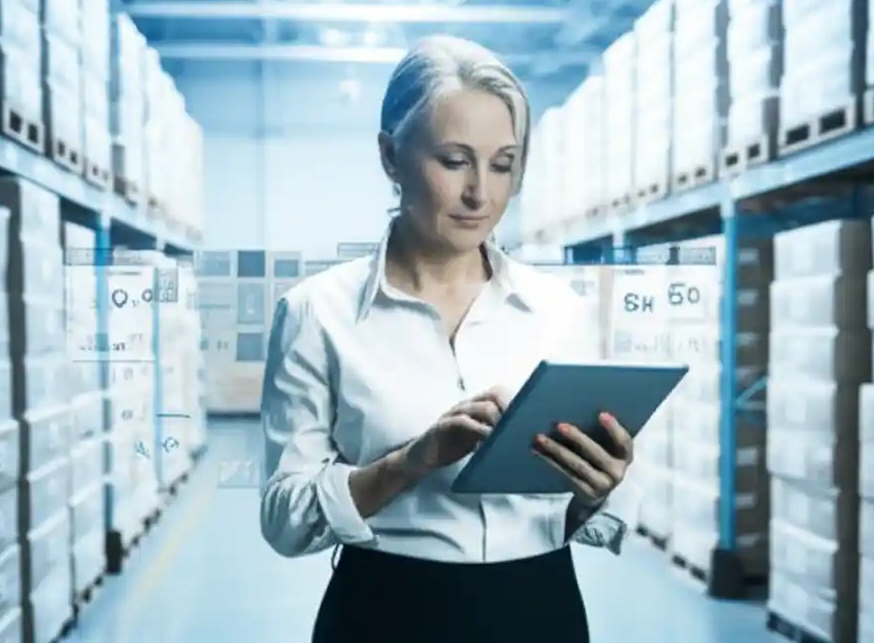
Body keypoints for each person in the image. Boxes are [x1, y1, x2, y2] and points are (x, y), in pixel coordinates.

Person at [258, 35, 641, 643]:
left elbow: (581, 514)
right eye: (455, 160)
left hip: (539, 610)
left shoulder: (561, 313)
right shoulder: (316, 313)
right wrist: (412, 461)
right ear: (390, 156)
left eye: (503, 163)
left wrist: (598, 491)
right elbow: (284, 521)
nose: (481, 195)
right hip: (386, 613)